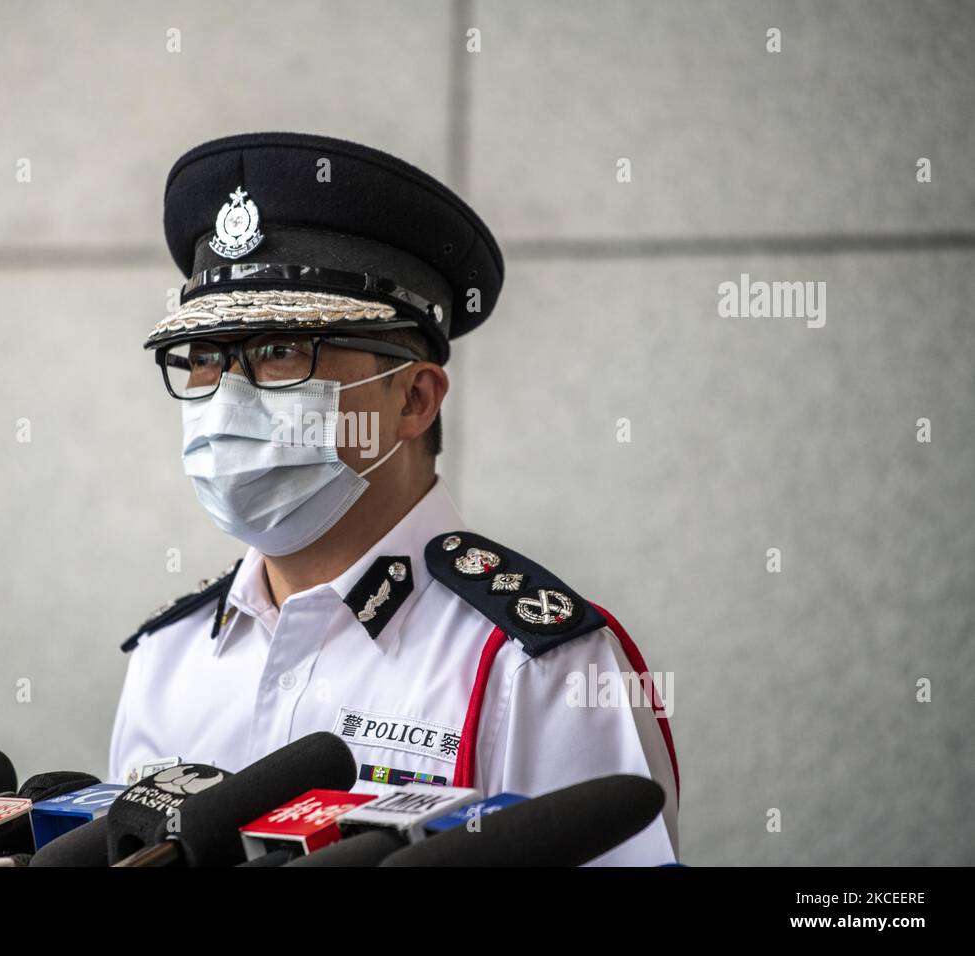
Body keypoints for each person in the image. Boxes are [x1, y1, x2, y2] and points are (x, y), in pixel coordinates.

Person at [108, 131, 679, 865]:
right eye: (206, 359)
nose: (227, 397)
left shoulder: (532, 666)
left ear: (413, 398)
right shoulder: (169, 654)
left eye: (283, 351)